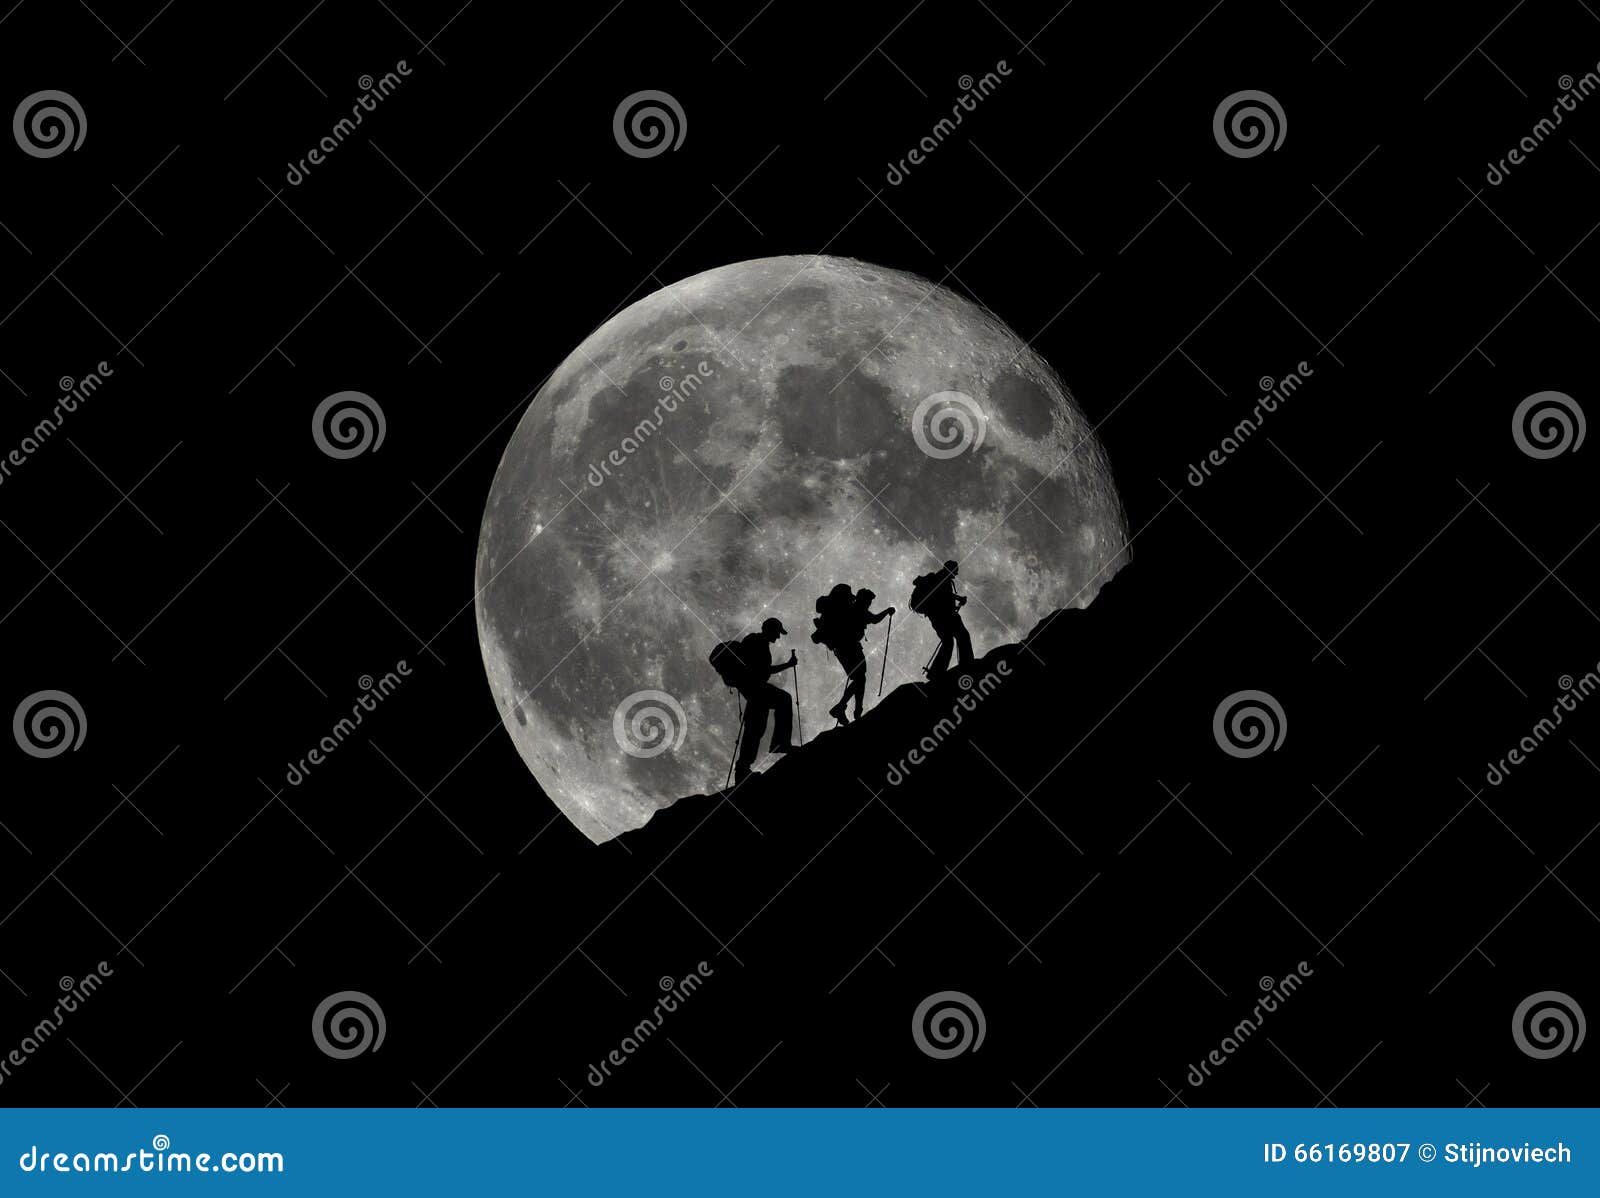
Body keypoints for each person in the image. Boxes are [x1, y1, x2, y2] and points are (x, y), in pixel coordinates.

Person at [816, 587, 893, 725]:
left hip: (843, 648)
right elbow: (874, 619)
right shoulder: (858, 609)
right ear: (862, 598)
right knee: (860, 678)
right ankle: (853, 710)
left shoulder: (851, 608)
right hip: (850, 647)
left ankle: (848, 709)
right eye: (868, 600)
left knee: (860, 678)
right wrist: (887, 611)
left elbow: (873, 619)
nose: (869, 603)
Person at [732, 617, 796, 783]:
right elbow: (762, 670)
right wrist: (787, 665)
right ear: (770, 629)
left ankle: (742, 771)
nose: (779, 637)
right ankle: (780, 743)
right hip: (755, 687)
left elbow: (763, 670)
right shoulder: (757, 641)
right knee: (784, 699)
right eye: (778, 632)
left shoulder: (757, 641)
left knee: (755, 728)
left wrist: (786, 665)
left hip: (752, 689)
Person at [913, 559, 973, 679]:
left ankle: (935, 673)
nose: (956, 574)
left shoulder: (939, 578)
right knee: (962, 636)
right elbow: (943, 594)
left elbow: (942, 596)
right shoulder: (941, 578)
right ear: (949, 568)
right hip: (945, 616)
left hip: (938, 617)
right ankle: (967, 664)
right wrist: (959, 598)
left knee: (948, 642)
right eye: (955, 570)